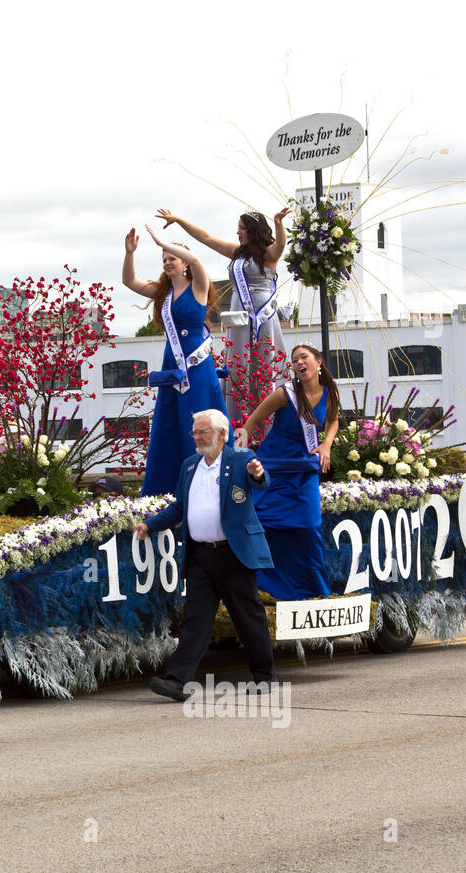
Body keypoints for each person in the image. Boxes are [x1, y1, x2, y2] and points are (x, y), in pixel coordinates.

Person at [132, 409, 275, 701]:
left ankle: (264, 676)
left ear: (222, 434)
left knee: (248, 618)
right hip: (199, 556)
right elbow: (179, 508)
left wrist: (258, 474)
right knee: (195, 620)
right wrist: (150, 524)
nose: (197, 437)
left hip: (232, 554)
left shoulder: (241, 460)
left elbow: (260, 481)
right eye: (195, 432)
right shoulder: (189, 465)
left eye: (203, 432)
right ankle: (178, 680)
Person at [157, 207, 292, 427]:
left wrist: (278, 223)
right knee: (239, 368)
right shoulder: (237, 253)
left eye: (242, 228)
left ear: (253, 230)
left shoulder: (268, 254)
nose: (238, 232)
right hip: (239, 315)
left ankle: (267, 425)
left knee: (264, 364)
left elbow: (280, 246)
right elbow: (206, 237)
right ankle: (239, 421)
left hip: (261, 316)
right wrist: (179, 220)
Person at [123, 227, 228, 497]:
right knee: (172, 425)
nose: (168, 262)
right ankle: (173, 489)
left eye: (172, 258)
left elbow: (197, 261)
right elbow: (130, 282)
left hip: (197, 368)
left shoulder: (198, 286)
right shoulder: (163, 294)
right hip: (174, 367)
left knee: (203, 420)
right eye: (164, 259)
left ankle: (215, 484)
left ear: (183, 263)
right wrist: (129, 253)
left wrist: (162, 241)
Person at [238, 344, 340, 600]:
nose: (298, 363)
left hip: (304, 467)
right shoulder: (285, 393)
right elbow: (252, 422)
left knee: (308, 525)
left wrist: (326, 445)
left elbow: (334, 419)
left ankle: (311, 588)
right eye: (294, 360)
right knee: (267, 525)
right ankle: (263, 587)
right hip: (273, 466)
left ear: (318, 362)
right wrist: (237, 457)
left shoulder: (330, 391)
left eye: (304, 357)